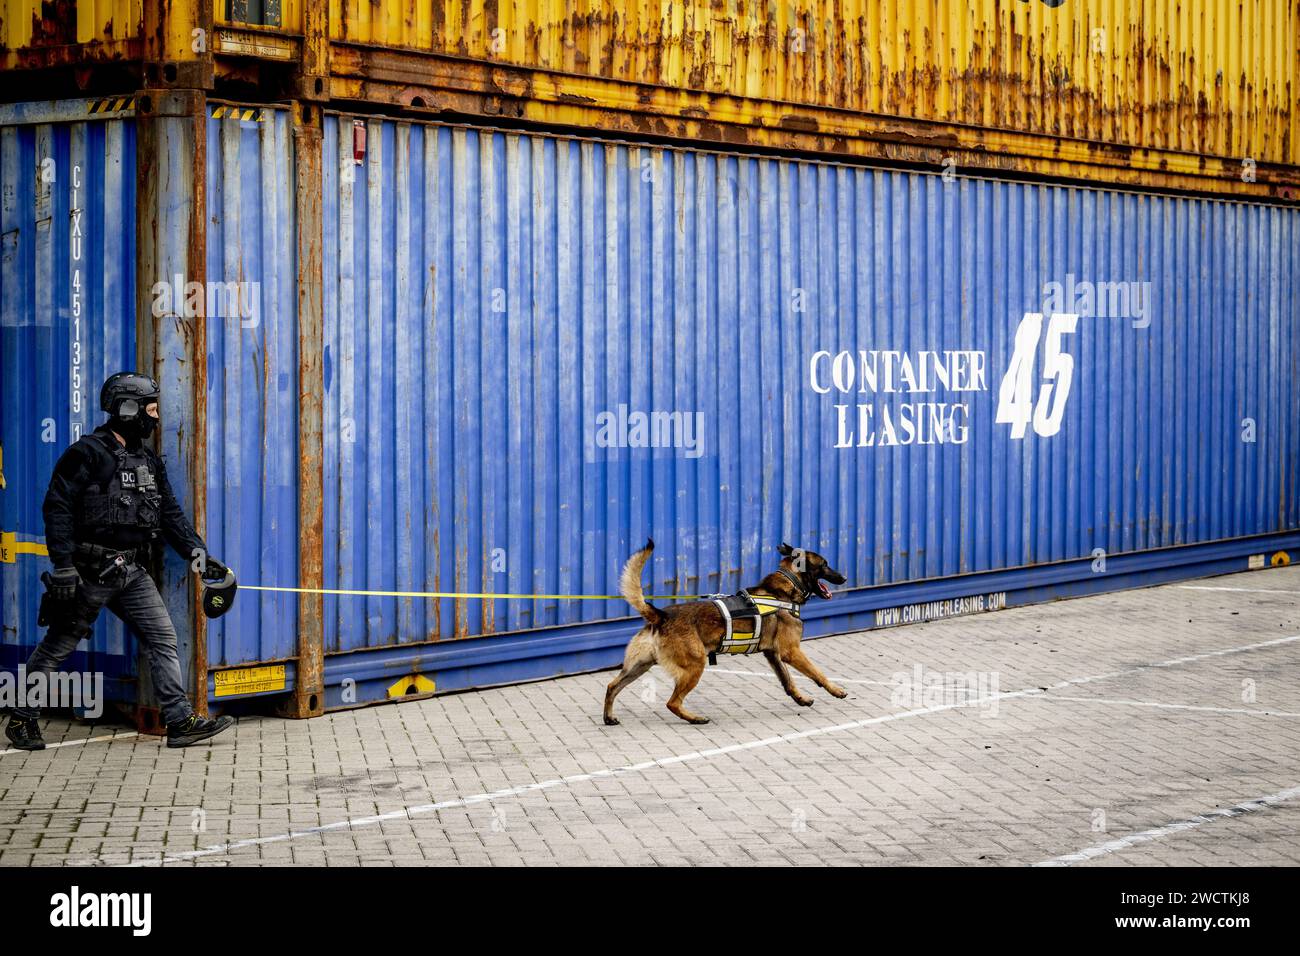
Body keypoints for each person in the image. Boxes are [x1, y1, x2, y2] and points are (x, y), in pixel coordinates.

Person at [3, 372, 235, 751]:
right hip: (89, 572)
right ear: (129, 409)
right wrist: (63, 565)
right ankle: (21, 719)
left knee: (163, 638)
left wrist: (200, 558)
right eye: (151, 409)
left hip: (131, 572)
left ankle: (179, 721)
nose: (156, 418)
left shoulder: (147, 459)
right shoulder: (87, 453)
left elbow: (170, 516)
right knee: (59, 645)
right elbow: (57, 508)